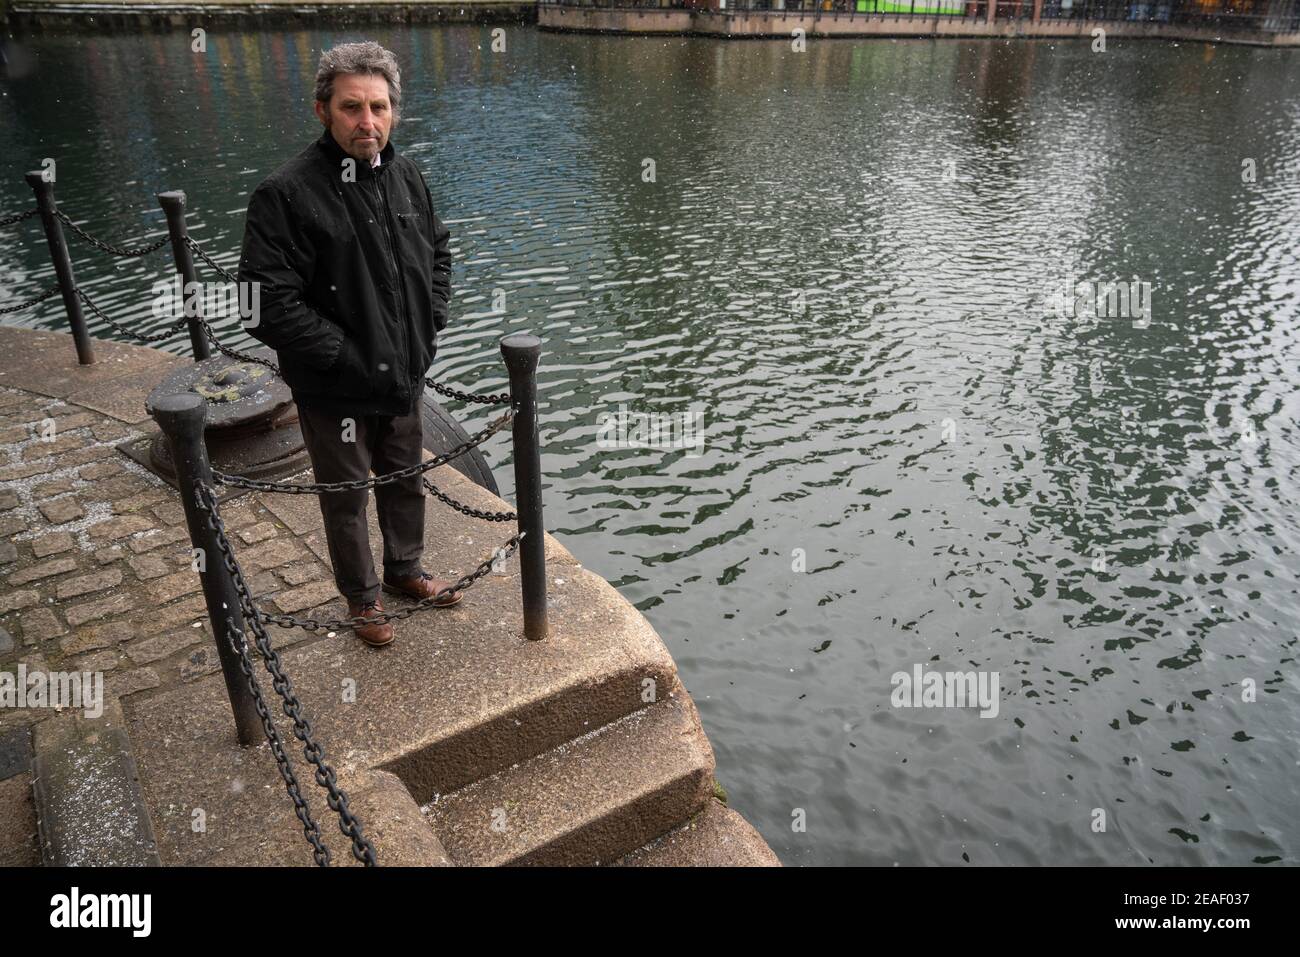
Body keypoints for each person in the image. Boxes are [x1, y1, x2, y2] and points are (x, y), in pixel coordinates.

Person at [238, 40, 460, 648]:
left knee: (405, 477)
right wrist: (343, 356)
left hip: (404, 375)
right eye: (352, 108)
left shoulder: (406, 175)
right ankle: (363, 601)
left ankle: (406, 570)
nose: (369, 122)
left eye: (380, 108)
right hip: (334, 387)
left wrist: (429, 324)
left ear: (394, 111)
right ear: (323, 111)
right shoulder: (284, 195)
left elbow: (437, 255)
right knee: (345, 497)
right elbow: (262, 303)